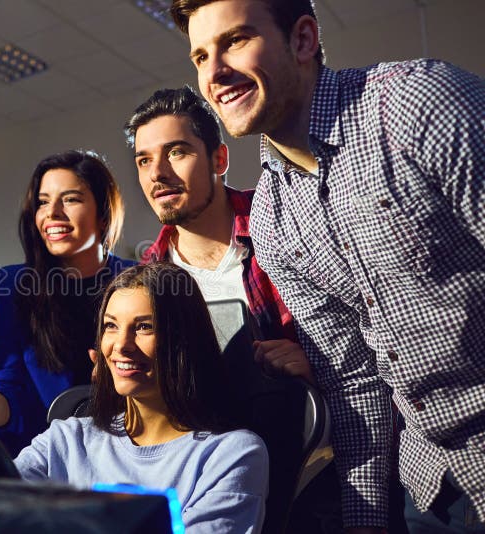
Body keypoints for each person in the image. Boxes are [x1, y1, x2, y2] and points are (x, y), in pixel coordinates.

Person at [170, 0, 485, 532]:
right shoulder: (271, 218)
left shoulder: (415, 105)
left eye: (236, 41)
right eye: (201, 56)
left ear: (303, 39)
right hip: (434, 490)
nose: (214, 73)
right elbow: (354, 386)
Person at [0, 262, 269, 533]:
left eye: (145, 327)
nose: (122, 345)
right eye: (112, 326)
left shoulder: (230, 454)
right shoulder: (68, 440)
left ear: (182, 341)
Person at [125, 83, 340, 532]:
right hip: (206, 490)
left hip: (313, 481)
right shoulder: (149, 280)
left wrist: (317, 364)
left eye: (176, 152)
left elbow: (367, 341)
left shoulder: (283, 228)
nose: (157, 173)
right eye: (144, 160)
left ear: (219, 160)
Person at [0, 150, 135, 456]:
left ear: (103, 214)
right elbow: (10, 378)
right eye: (43, 202)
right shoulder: (14, 284)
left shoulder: (137, 281)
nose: (52, 213)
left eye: (70, 199)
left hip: (123, 455)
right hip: (40, 457)